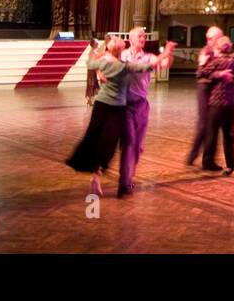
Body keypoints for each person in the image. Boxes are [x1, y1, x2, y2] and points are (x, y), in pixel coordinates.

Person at [66, 36, 163, 197]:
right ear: (120, 50)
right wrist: (165, 53)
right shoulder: (123, 67)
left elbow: (90, 64)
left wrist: (94, 51)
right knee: (108, 143)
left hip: (101, 105)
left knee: (95, 138)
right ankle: (99, 174)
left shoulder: (105, 62)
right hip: (116, 109)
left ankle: (95, 174)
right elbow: (146, 67)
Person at [118, 28, 176, 197]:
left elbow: (164, 64)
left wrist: (169, 53)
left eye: (144, 36)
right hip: (125, 106)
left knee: (138, 146)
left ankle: (130, 176)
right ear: (131, 39)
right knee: (128, 143)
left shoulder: (149, 57)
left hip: (142, 105)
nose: (143, 38)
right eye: (140, 36)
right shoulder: (123, 56)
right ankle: (125, 182)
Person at [199, 35, 234, 175]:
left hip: (217, 104)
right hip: (231, 102)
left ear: (218, 48)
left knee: (212, 133)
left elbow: (201, 73)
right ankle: (231, 165)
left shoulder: (217, 61)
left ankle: (208, 162)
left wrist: (215, 73)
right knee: (229, 135)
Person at [186, 25, 224, 165]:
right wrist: (218, 74)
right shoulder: (206, 51)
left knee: (213, 124)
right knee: (203, 124)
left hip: (216, 90)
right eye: (218, 37)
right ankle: (193, 155)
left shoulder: (220, 51)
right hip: (205, 88)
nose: (220, 39)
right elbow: (201, 73)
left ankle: (208, 159)